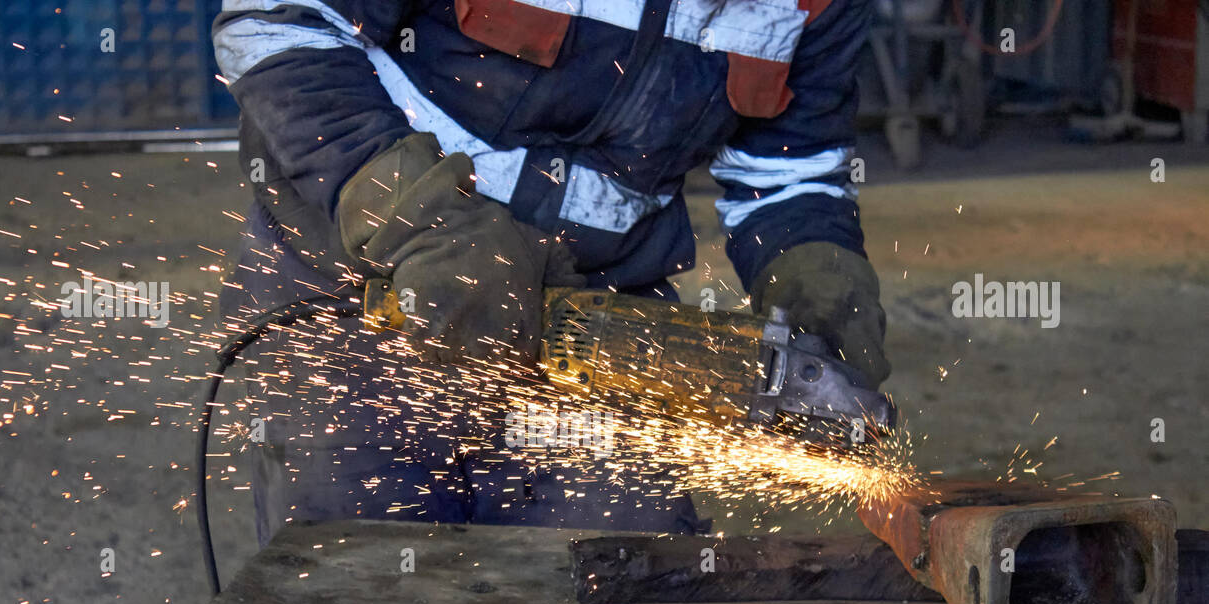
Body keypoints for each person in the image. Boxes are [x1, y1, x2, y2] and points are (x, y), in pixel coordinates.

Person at [212, 0, 889, 546]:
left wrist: (816, 279)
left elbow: (789, 171)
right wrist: (417, 216)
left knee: (620, 596)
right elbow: (279, 21)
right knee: (356, 601)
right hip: (371, 289)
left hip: (601, 322)